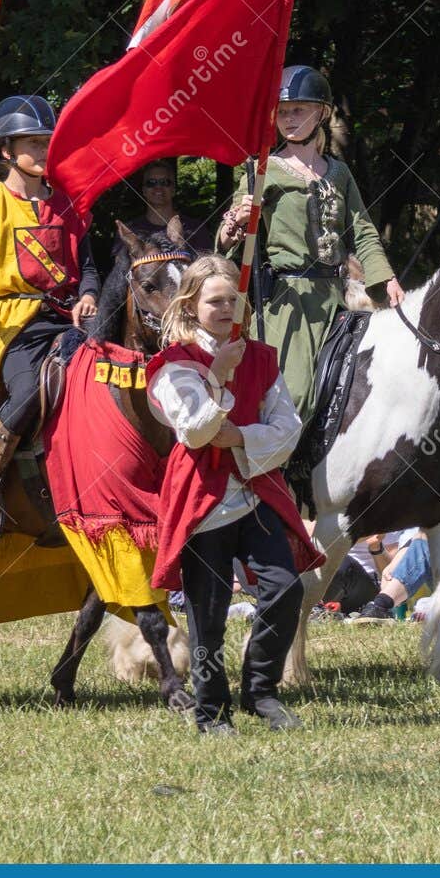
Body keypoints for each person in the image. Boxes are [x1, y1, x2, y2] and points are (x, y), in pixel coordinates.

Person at [146, 255, 321, 734]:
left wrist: (243, 437)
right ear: (190, 306)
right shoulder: (171, 365)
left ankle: (261, 691)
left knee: (285, 587)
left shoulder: (261, 356)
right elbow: (197, 431)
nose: (226, 309)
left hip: (255, 488)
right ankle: (211, 709)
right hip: (201, 498)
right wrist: (218, 375)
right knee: (208, 611)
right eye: (214, 301)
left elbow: (288, 428)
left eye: (233, 300)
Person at [0, 96, 100, 543]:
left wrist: (88, 294)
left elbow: (88, 266)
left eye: (47, 143)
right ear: (7, 150)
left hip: (68, 320)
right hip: (15, 323)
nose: (43, 151)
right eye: (33, 143)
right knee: (30, 390)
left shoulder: (68, 203)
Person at [217, 65, 404, 418]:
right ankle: (276, 468)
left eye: (298, 110)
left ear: (322, 112)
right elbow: (228, 239)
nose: (288, 118)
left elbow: (362, 230)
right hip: (288, 305)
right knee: (296, 397)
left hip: (340, 297)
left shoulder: (339, 172)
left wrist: (386, 278)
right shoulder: (261, 169)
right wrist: (235, 224)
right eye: (282, 112)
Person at [127, 159, 209, 245]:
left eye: (165, 182)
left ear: (173, 189)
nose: (158, 187)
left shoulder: (195, 228)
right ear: (144, 190)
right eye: (151, 183)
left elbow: (207, 258)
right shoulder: (130, 231)